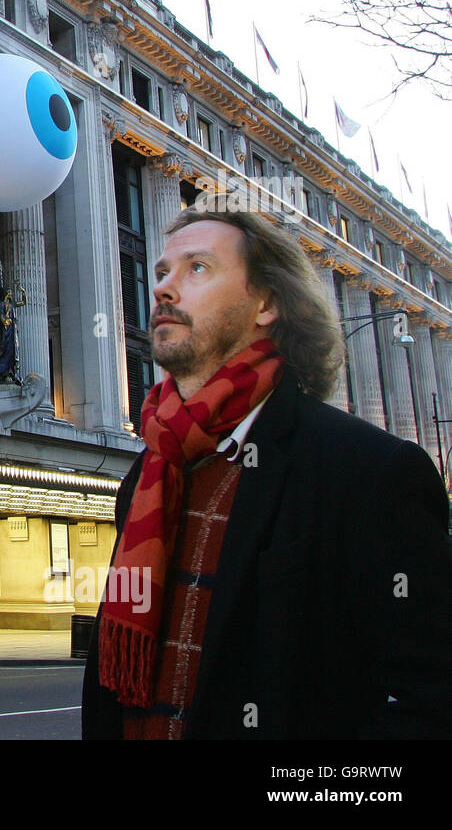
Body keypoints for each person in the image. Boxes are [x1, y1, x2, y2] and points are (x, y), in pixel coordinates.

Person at [82, 208, 452, 739]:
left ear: (267, 304)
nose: (163, 288)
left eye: (198, 268)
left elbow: (429, 702)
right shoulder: (148, 473)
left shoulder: (370, 473)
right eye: (161, 272)